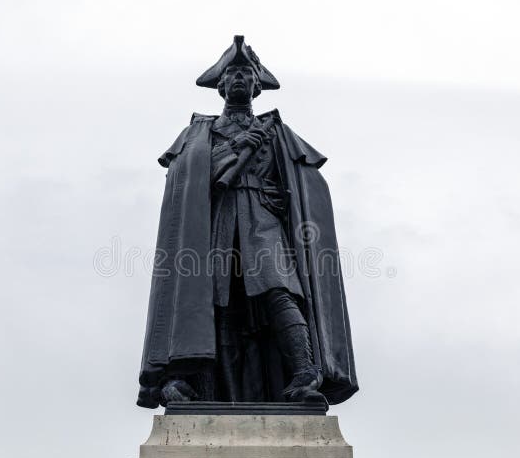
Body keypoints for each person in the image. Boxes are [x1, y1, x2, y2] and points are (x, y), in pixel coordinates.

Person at [137, 36, 358, 410]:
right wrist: (232, 154)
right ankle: (202, 387)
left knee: (280, 290)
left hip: (264, 221)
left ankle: (305, 374)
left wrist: (285, 198)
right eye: (232, 74)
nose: (239, 79)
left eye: (246, 73)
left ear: (257, 85)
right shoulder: (197, 134)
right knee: (211, 301)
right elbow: (183, 182)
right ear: (221, 85)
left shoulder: (277, 133)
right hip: (214, 224)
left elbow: (306, 184)